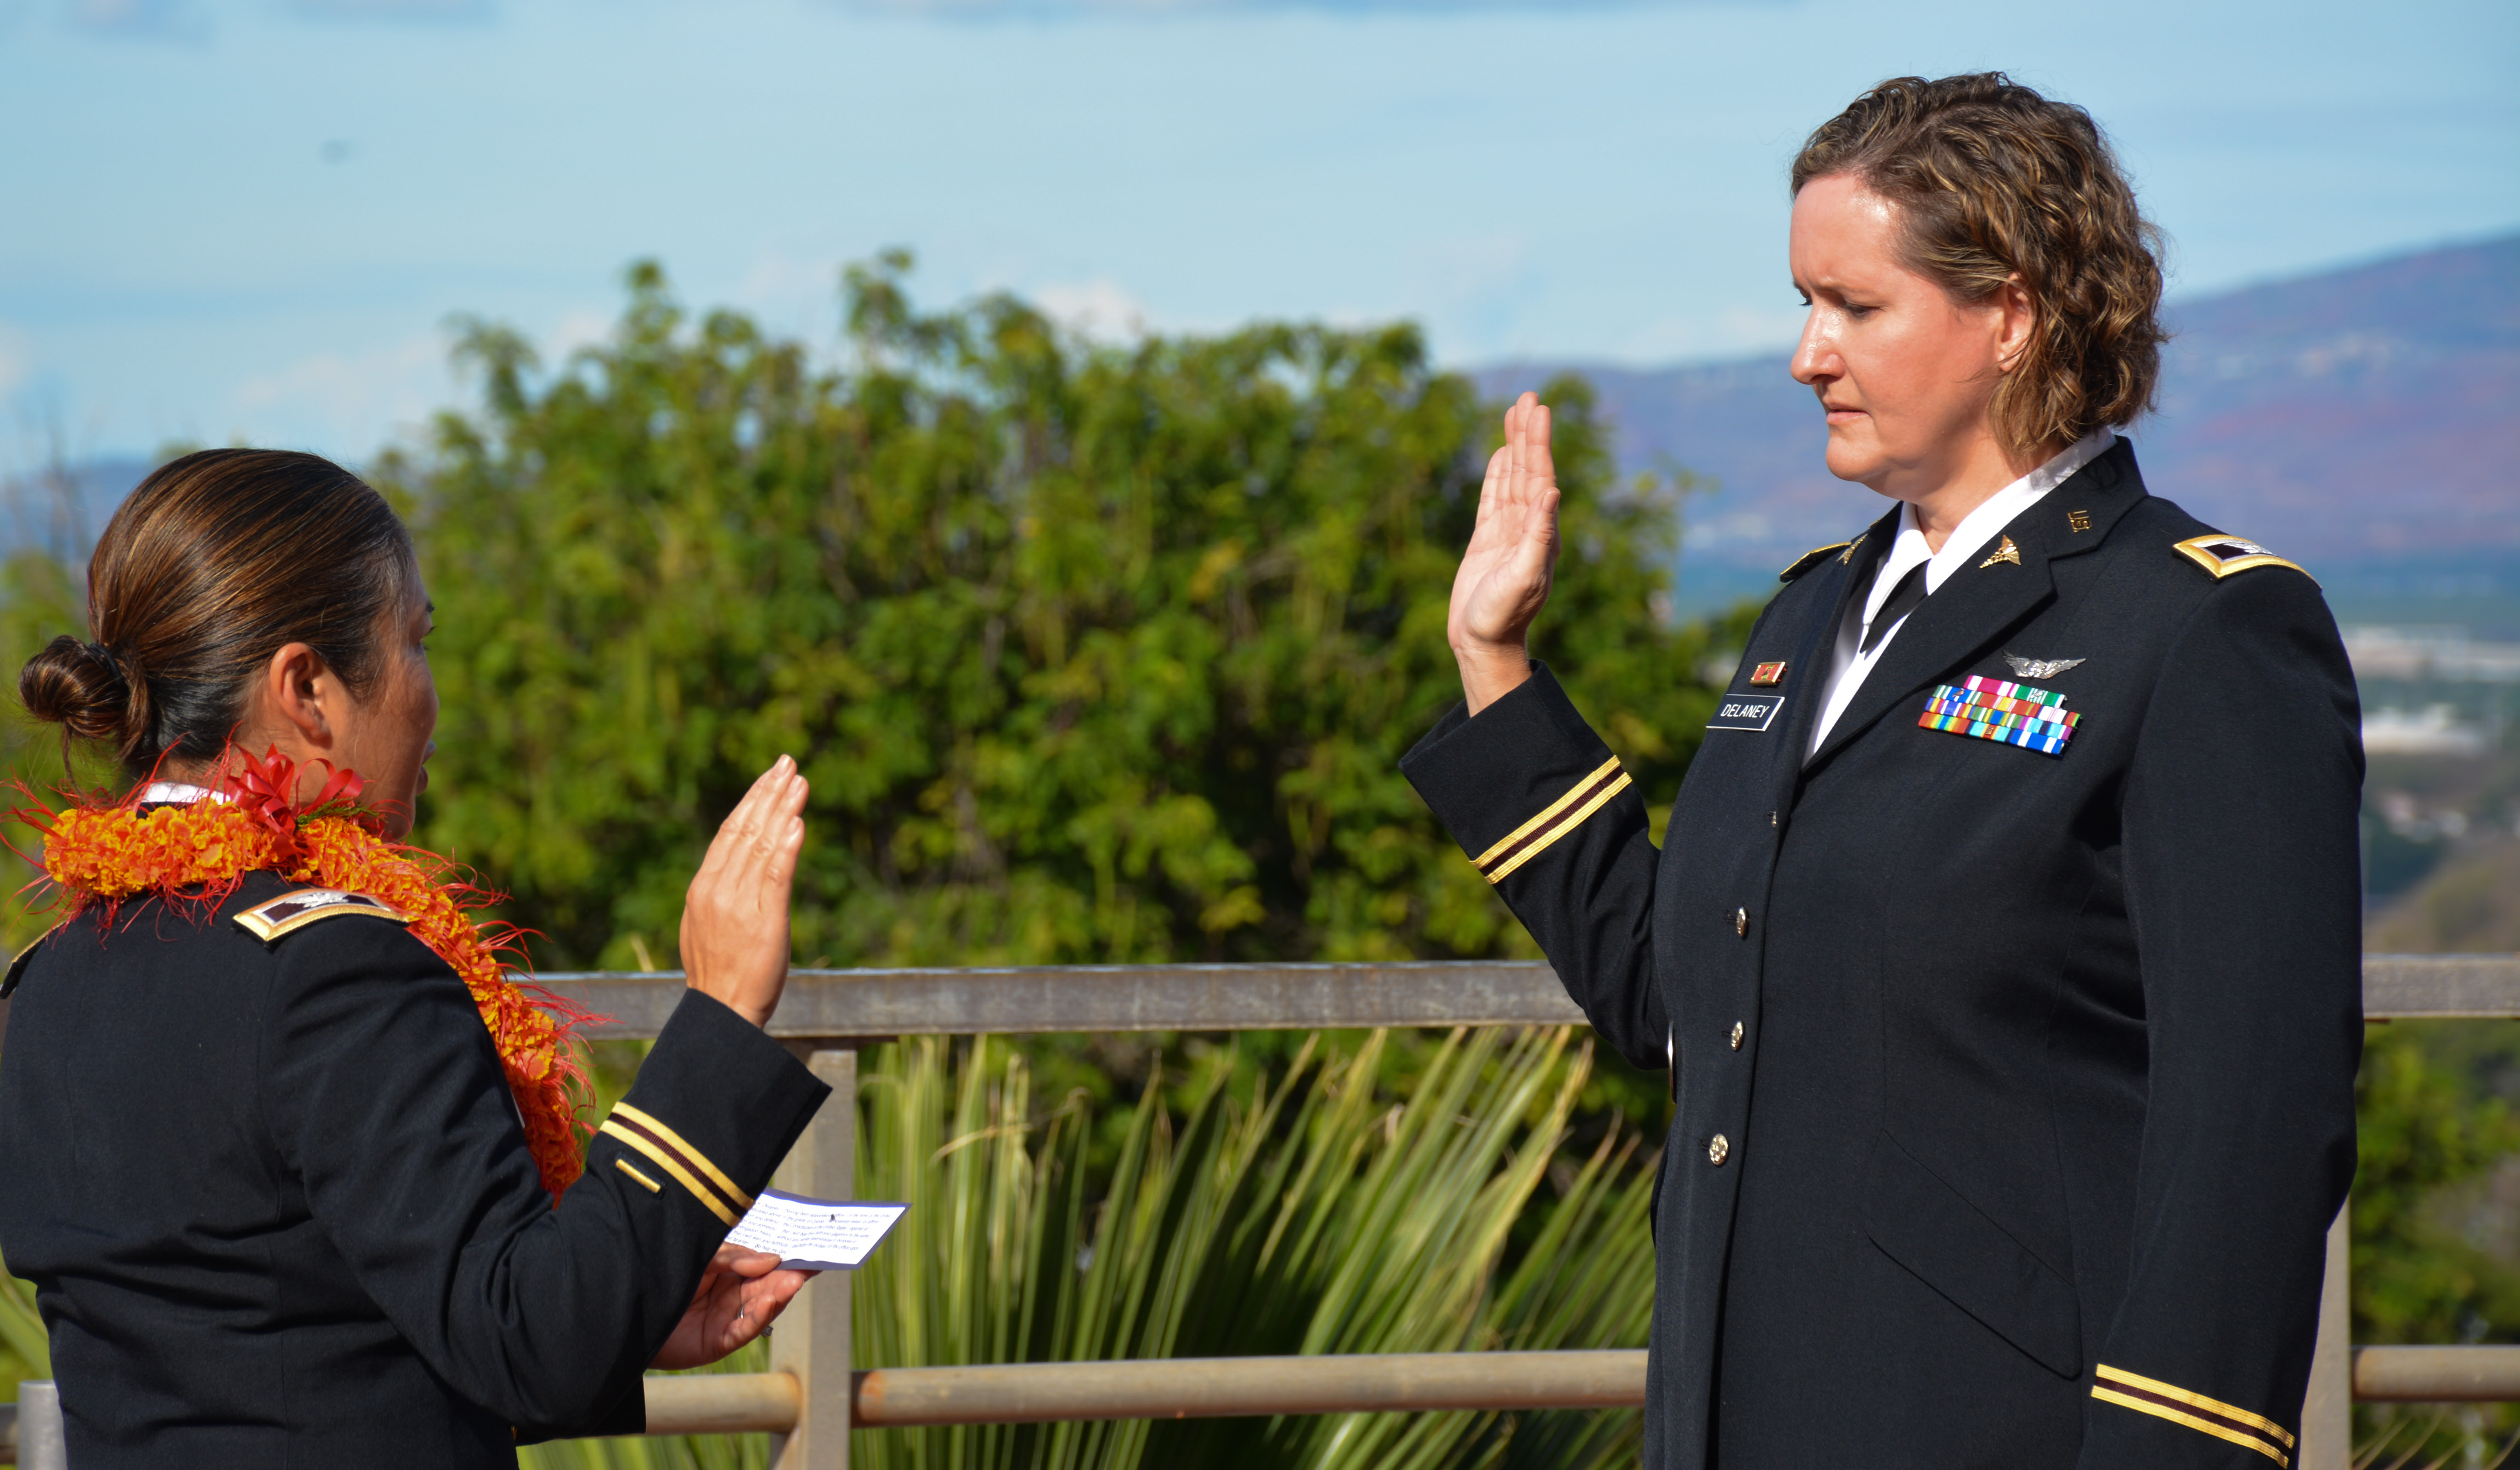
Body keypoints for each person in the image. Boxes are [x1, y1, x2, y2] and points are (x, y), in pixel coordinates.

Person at [1403, 74, 2362, 1470]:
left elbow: (2252, 1132)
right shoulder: (1810, 613)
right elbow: (1690, 1004)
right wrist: (1495, 671)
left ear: (2011, 314)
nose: (1805, 354)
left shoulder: (2197, 625)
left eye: (1853, 307)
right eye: (1803, 302)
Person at [0, 448, 832, 1468]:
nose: (430, 696)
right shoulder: (335, 967)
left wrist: (631, 1302)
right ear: (308, 689)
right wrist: (722, 1009)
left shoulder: (48, 979)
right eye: (414, 642)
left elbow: (286, 1319)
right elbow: (536, 1343)